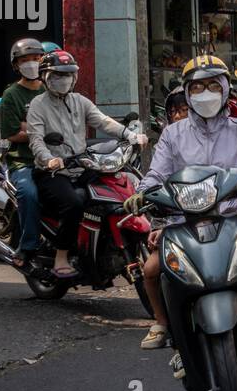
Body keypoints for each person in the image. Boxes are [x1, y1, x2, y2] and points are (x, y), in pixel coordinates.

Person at [126, 55, 237, 357]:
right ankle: (161, 321)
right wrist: (142, 193)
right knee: (151, 269)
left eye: (212, 85)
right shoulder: (173, 134)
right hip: (181, 220)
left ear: (224, 89)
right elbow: (157, 173)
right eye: (197, 88)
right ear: (187, 93)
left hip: (232, 214)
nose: (205, 93)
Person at [26, 50, 149, 278]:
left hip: (83, 167)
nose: (63, 80)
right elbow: (36, 140)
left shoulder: (80, 101)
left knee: (117, 188)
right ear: (45, 78)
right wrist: (49, 160)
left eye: (68, 75)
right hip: (53, 173)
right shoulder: (38, 105)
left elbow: (103, 121)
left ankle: (102, 246)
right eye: (57, 75)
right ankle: (61, 256)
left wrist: (130, 135)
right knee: (73, 204)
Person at [0, 38, 48, 267]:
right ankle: (27, 246)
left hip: (54, 159)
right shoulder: (12, 95)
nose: (31, 64)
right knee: (29, 194)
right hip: (23, 162)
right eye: (25, 60)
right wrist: (43, 131)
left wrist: (29, 127)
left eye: (36, 59)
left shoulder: (51, 89)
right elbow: (12, 133)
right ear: (16, 65)